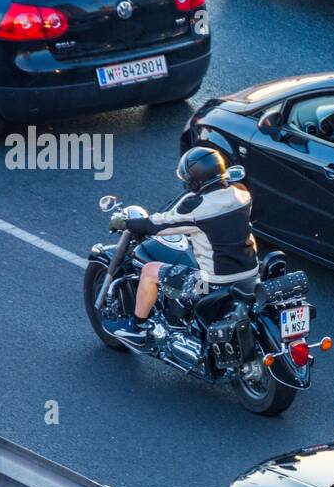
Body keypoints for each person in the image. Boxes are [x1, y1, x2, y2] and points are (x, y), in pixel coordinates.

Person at [103, 147, 258, 347]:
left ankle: (138, 328)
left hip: (214, 284)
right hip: (250, 276)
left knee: (150, 271)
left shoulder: (195, 207)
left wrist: (125, 223)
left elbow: (155, 225)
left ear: (194, 180)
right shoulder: (241, 194)